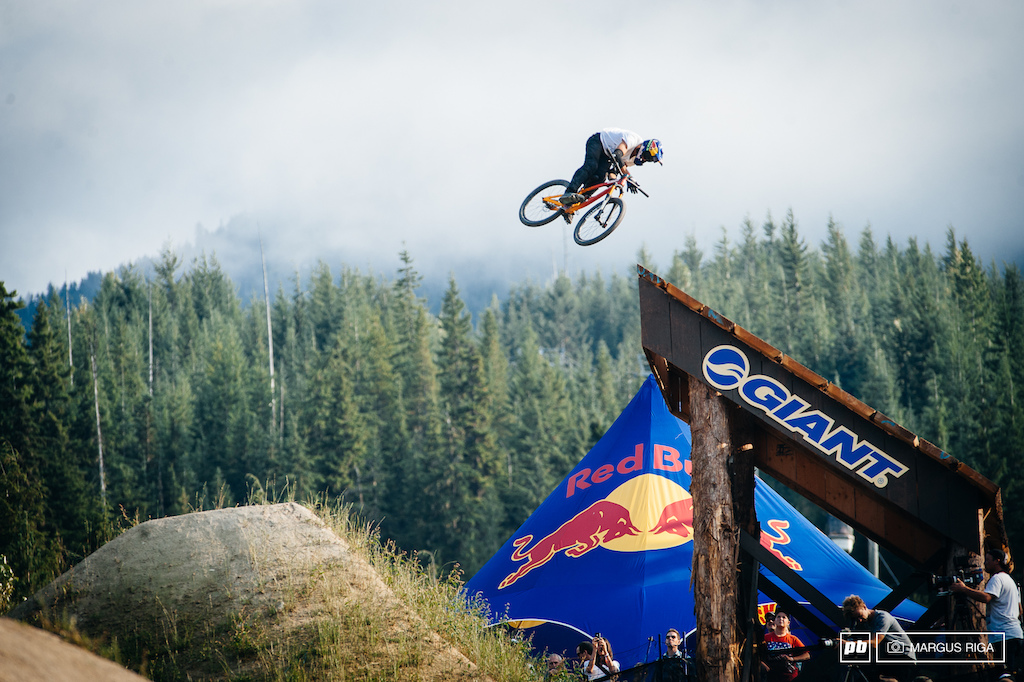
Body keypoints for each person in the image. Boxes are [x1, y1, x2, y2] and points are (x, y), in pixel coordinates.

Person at [951, 549, 1023, 681]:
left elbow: (986, 598)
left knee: (1004, 676)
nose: (985, 564)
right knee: (1012, 673)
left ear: (998, 561)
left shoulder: (997, 578)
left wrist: (964, 589)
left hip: (1003, 636)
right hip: (1016, 634)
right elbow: (1020, 610)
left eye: (988, 560)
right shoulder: (1010, 580)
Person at [559, 128, 663, 205]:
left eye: (649, 160)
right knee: (591, 166)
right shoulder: (633, 139)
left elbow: (614, 170)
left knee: (600, 179)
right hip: (599, 141)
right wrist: (629, 177)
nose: (645, 160)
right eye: (647, 156)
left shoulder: (633, 161)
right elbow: (618, 154)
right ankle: (570, 191)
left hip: (607, 155)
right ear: (645, 148)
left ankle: (575, 201)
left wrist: (614, 181)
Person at [843, 594, 916, 681]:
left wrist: (849, 643)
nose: (860, 620)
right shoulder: (866, 622)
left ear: (864, 607)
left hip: (904, 658)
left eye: (860, 616)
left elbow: (874, 642)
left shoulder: (882, 617)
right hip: (890, 657)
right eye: (856, 619)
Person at [761, 611, 809, 682]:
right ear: (775, 620)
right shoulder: (766, 638)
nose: (781, 619)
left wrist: (792, 659)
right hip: (771, 676)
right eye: (778, 617)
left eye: (784, 617)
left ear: (788, 622)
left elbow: (807, 655)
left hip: (789, 677)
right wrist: (764, 665)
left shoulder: (793, 639)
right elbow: (757, 654)